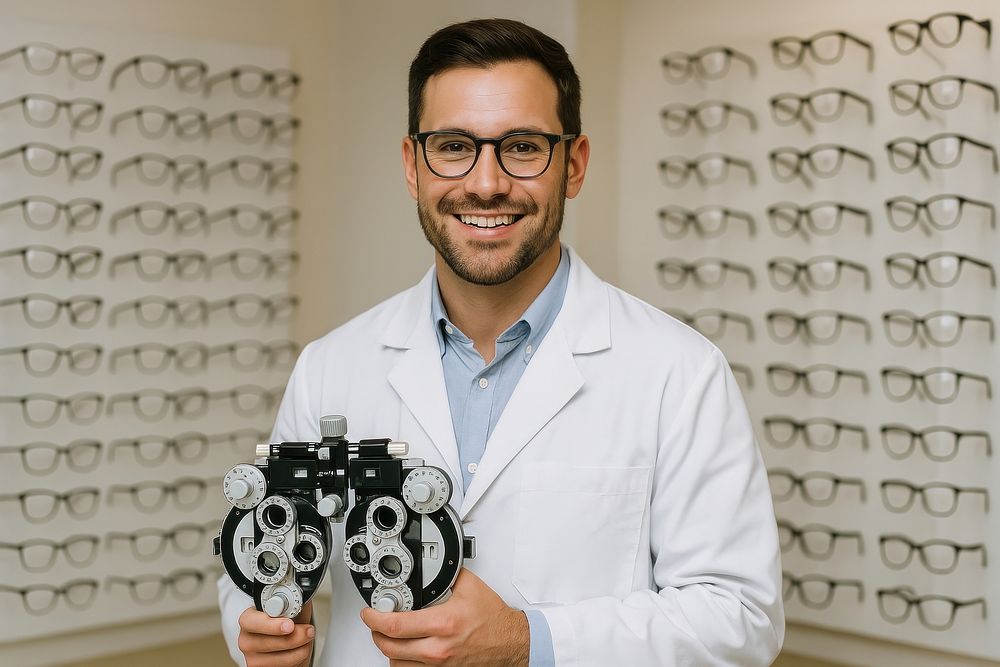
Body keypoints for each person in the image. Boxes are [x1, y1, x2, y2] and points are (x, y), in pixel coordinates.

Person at [218, 17, 783, 666]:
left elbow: (740, 618)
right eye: (454, 146)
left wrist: (527, 640)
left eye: (521, 146)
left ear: (574, 164)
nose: (485, 183)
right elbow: (261, 551)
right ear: (413, 166)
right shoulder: (330, 367)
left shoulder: (680, 373)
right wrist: (258, 630)